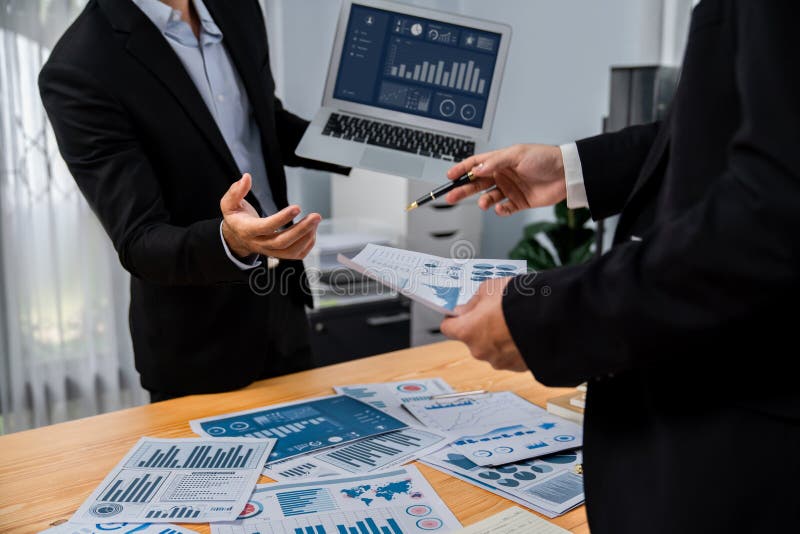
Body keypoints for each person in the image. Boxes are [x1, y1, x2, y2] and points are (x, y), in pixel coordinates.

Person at [440, 2, 799, 533]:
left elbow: (774, 211)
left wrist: (547, 316)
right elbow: (722, 127)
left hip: (746, 453)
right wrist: (572, 168)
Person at [39, 0, 348, 401]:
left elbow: (263, 124)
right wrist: (233, 241)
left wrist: (369, 141)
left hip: (283, 301)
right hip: (199, 342)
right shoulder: (79, 67)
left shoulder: (239, 8)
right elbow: (140, 238)